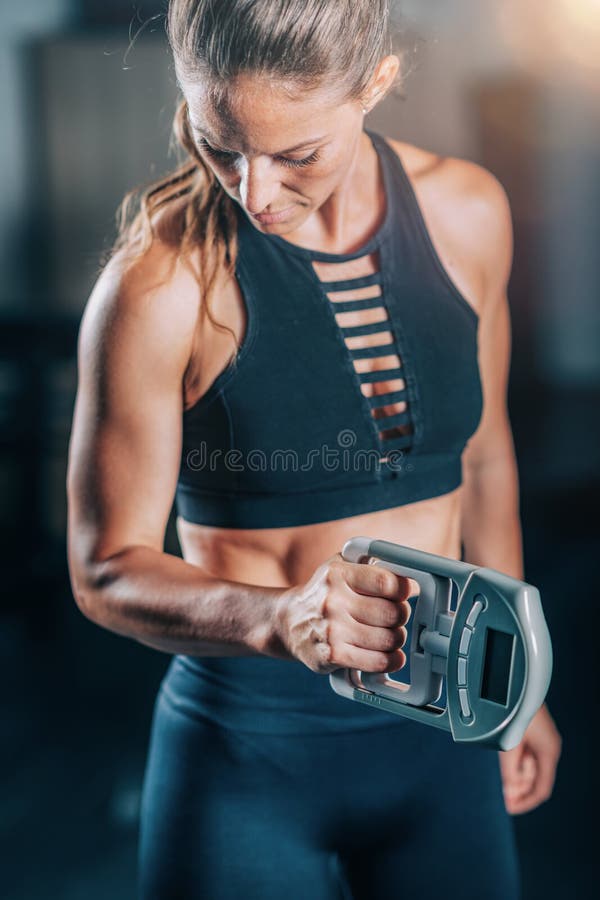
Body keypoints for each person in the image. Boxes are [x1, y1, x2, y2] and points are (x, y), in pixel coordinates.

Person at [66, 1, 562, 898]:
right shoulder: (158, 285)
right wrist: (276, 618)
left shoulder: (469, 213)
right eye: (220, 144)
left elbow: (485, 459)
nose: (253, 191)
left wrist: (519, 688)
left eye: (296, 155)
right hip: (247, 756)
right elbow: (103, 570)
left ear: (375, 86)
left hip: (447, 741)